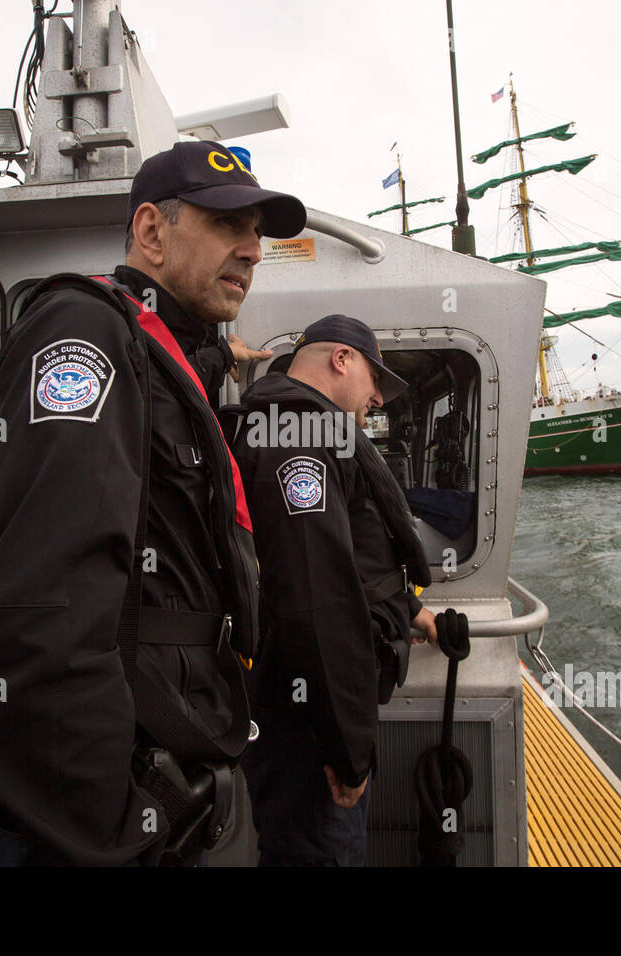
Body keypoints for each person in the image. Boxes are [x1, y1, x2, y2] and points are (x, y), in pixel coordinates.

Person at [0, 141, 306, 865]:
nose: (254, 251)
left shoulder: (163, 350)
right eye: (229, 226)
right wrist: (98, 830)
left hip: (176, 745)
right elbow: (41, 602)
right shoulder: (84, 334)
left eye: (259, 234)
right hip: (101, 808)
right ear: (150, 232)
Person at [231, 314, 436, 866]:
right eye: (375, 381)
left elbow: (350, 559)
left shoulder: (309, 431)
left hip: (318, 716)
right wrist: (349, 755)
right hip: (308, 729)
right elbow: (316, 605)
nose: (376, 400)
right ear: (342, 360)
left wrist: (413, 612)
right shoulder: (296, 440)